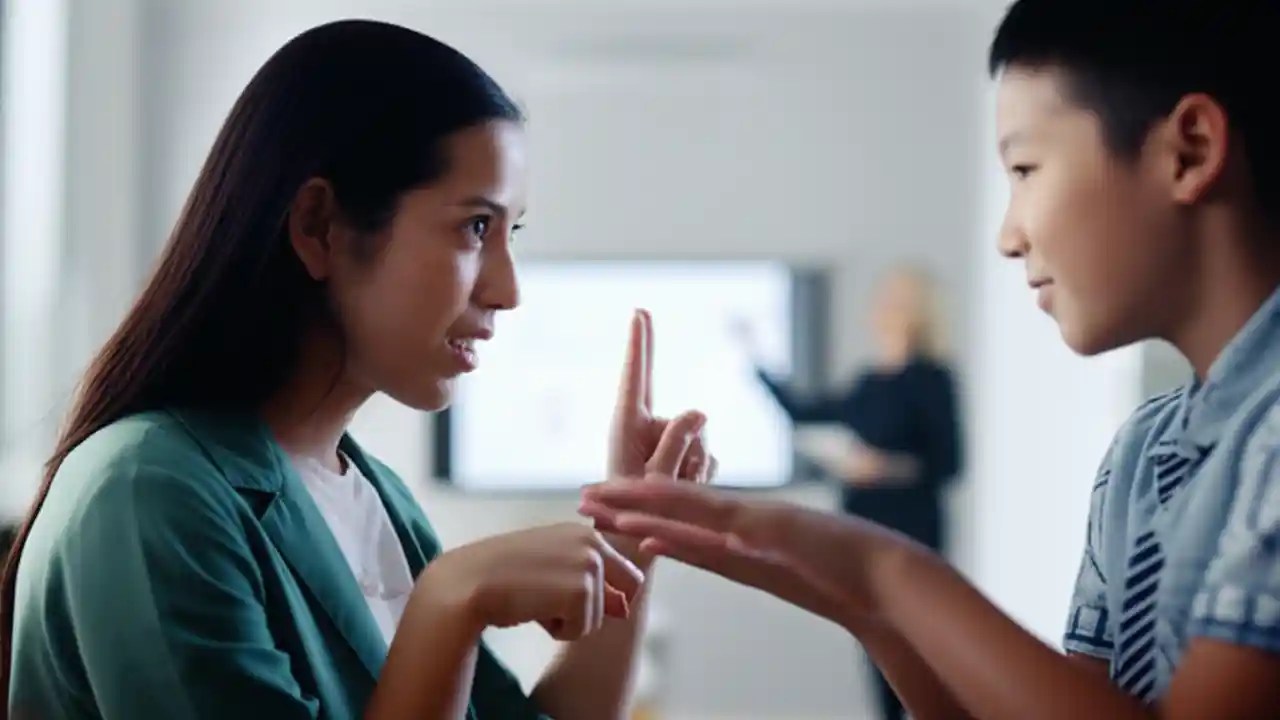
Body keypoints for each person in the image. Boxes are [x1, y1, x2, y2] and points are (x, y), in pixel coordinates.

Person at [580, 0, 1280, 718]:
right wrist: (867, 605)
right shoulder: (1143, 450)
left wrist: (884, 573)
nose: (1009, 236)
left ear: (1189, 151)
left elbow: (943, 465)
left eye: (1027, 168)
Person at [0, 20, 714, 720]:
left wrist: (630, 537)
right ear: (320, 227)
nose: (508, 288)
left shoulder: (374, 496)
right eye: (475, 227)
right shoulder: (147, 491)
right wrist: (448, 606)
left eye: (510, 233)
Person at [739, 265, 961, 720]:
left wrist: (883, 466)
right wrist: (755, 357)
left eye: (894, 302)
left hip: (912, 533)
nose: (881, 310)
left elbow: (950, 464)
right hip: (862, 530)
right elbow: (803, 411)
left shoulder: (932, 380)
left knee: (918, 644)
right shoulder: (868, 383)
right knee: (874, 639)